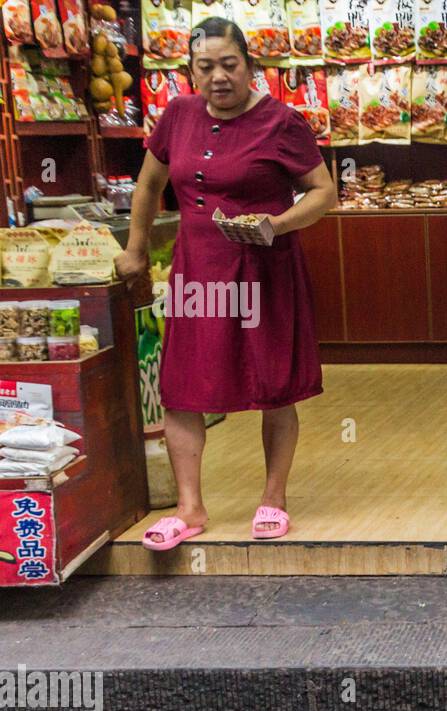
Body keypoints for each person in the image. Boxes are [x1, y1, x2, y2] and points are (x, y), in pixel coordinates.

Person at [115, 17, 337, 550]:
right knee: (182, 386)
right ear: (190, 71)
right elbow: (149, 183)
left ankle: (274, 497)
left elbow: (323, 192)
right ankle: (190, 509)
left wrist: (278, 224)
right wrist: (136, 248)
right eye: (205, 66)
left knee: (273, 385)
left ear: (249, 66)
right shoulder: (178, 115)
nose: (218, 76)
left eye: (229, 64)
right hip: (198, 271)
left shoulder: (282, 122)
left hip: (263, 271)